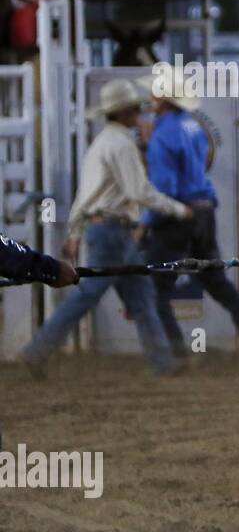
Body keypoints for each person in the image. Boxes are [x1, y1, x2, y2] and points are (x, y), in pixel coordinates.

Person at [20, 80, 191, 379]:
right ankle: (38, 350)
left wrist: (75, 233)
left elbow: (86, 195)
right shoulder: (122, 145)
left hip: (108, 230)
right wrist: (178, 209)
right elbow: (139, 191)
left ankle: (162, 362)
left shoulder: (102, 143)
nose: (139, 112)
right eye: (134, 108)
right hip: (114, 231)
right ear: (125, 112)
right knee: (97, 295)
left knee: (137, 295)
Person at [139, 64, 239, 362]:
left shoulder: (162, 135)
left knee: (155, 287)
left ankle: (176, 353)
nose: (150, 98)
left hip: (177, 216)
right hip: (204, 210)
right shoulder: (192, 126)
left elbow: (164, 188)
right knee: (217, 282)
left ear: (164, 99)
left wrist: (145, 222)